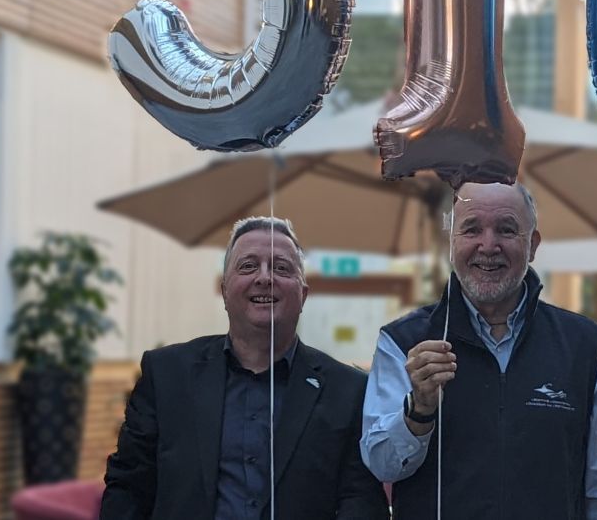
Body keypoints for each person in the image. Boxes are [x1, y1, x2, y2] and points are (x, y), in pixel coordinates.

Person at [361, 181, 597, 519]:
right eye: (471, 229)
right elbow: (382, 465)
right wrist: (419, 410)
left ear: (532, 245)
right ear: (452, 243)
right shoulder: (404, 341)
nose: (488, 245)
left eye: (506, 230)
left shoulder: (582, 343)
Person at [101, 216, 389, 520]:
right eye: (248, 266)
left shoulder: (349, 391)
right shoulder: (166, 375)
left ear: (303, 294)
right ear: (225, 291)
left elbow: (361, 502)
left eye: (281, 267)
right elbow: (128, 488)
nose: (265, 278)